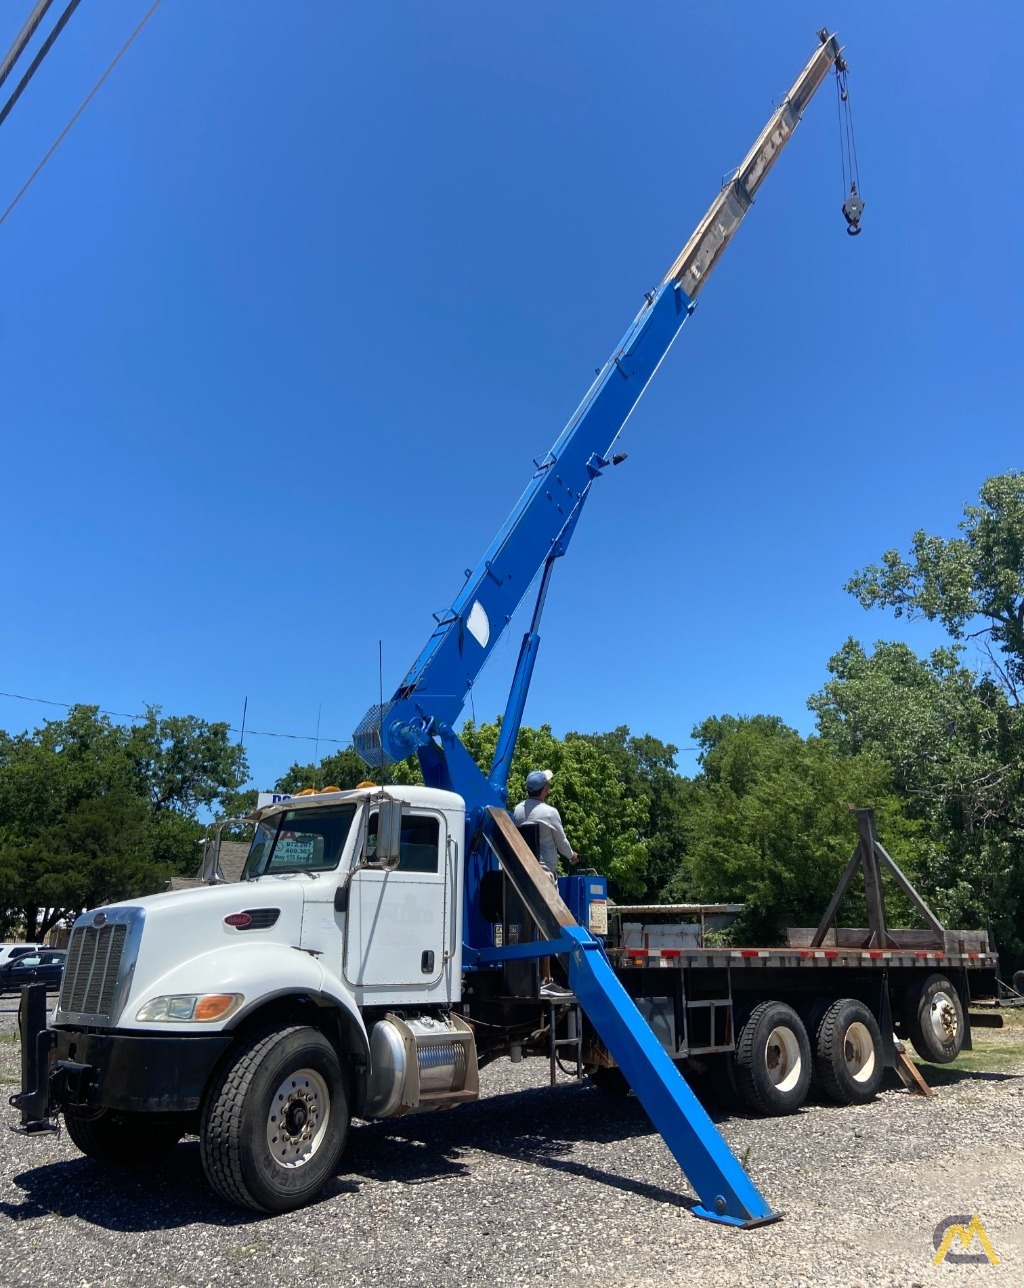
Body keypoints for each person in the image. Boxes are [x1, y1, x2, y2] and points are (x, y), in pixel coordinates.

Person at [514, 768, 579, 999]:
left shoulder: (518, 810)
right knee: (548, 928)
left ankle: (527, 978)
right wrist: (572, 856)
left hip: (522, 875)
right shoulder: (550, 813)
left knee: (527, 928)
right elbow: (562, 844)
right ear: (543, 790)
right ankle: (546, 979)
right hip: (544, 875)